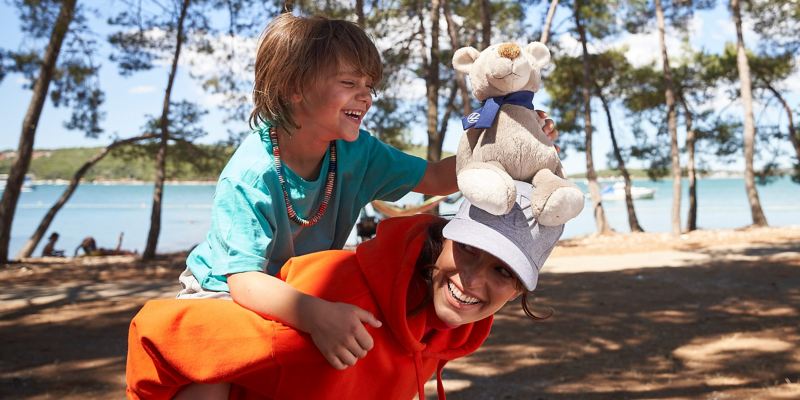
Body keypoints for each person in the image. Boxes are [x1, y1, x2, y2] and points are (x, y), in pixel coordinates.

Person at [174, 11, 562, 372]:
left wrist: (510, 137)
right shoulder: (251, 173)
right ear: (294, 88)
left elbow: (438, 177)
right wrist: (316, 315)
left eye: (369, 85)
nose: (366, 96)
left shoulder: (357, 152)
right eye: (349, 83)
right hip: (221, 289)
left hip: (298, 285)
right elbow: (243, 280)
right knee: (215, 376)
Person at [126, 181, 564, 400]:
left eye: (504, 273)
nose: (472, 282)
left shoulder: (444, 327)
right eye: (468, 250)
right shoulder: (337, 304)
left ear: (521, 290)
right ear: (442, 237)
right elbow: (161, 332)